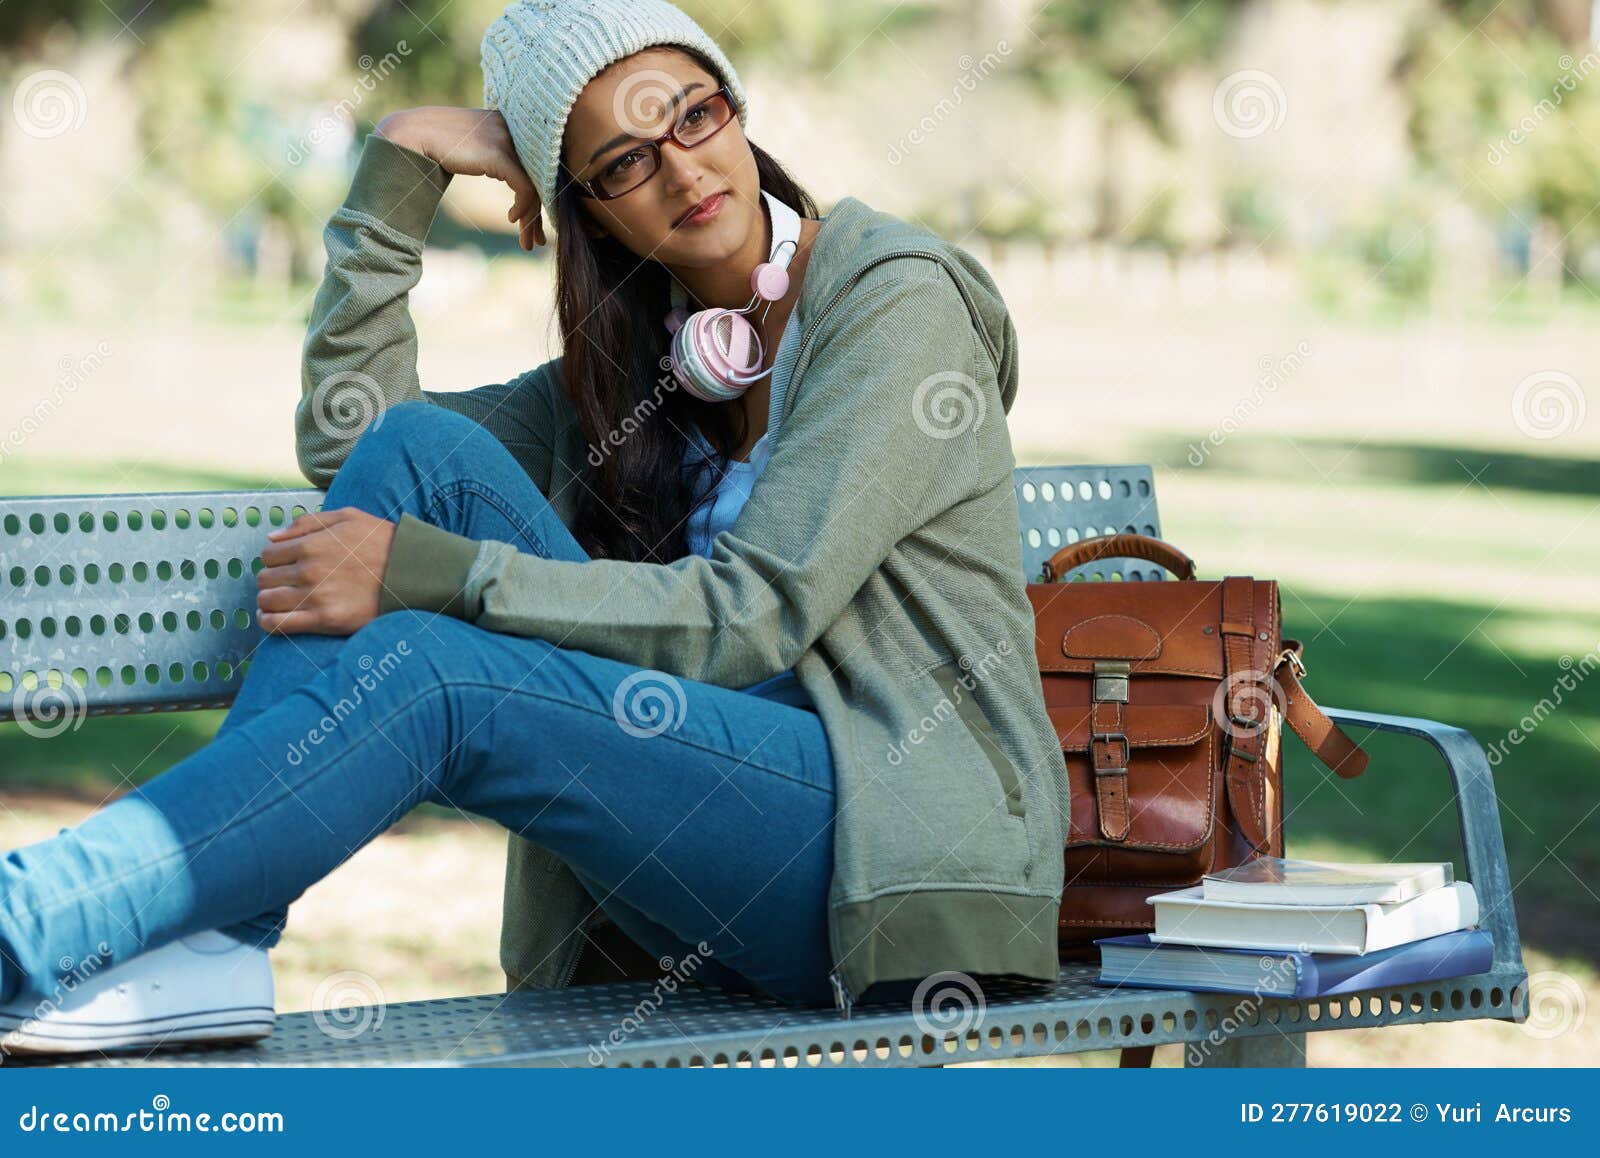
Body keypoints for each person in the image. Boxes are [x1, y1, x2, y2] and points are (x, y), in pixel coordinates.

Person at [0, 0, 1066, 1057]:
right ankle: (215, 939)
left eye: (695, 115)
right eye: (625, 164)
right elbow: (357, 447)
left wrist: (439, 577)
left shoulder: (894, 301)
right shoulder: (646, 368)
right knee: (421, 451)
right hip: (700, 823)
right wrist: (401, 170)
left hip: (886, 845)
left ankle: (41, 920)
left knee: (436, 673)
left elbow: (753, 614)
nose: (684, 171)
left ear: (736, 109)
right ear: (588, 214)